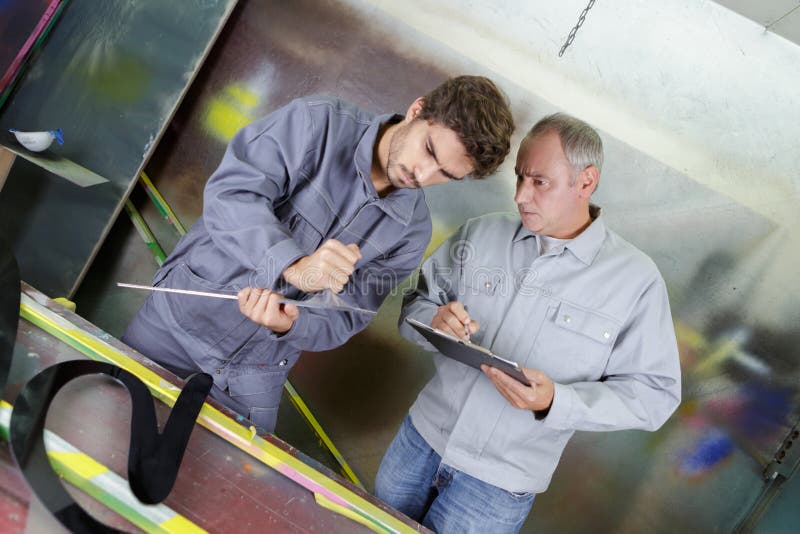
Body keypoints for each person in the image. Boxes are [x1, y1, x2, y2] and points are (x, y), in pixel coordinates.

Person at [122, 76, 515, 433]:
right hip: (177, 324)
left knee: (222, 478)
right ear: (417, 110)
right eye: (428, 150)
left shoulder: (412, 231)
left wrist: (291, 323)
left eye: (446, 174)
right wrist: (292, 265)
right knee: (109, 425)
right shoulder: (316, 123)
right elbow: (231, 195)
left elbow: (349, 316)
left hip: (254, 375)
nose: (423, 175)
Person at [375, 113, 681, 533]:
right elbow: (415, 305)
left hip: (495, 489)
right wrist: (435, 320)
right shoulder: (480, 234)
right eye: (520, 177)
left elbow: (655, 394)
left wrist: (558, 401)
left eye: (539, 182)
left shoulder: (635, 282)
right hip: (418, 441)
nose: (520, 195)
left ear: (586, 182)